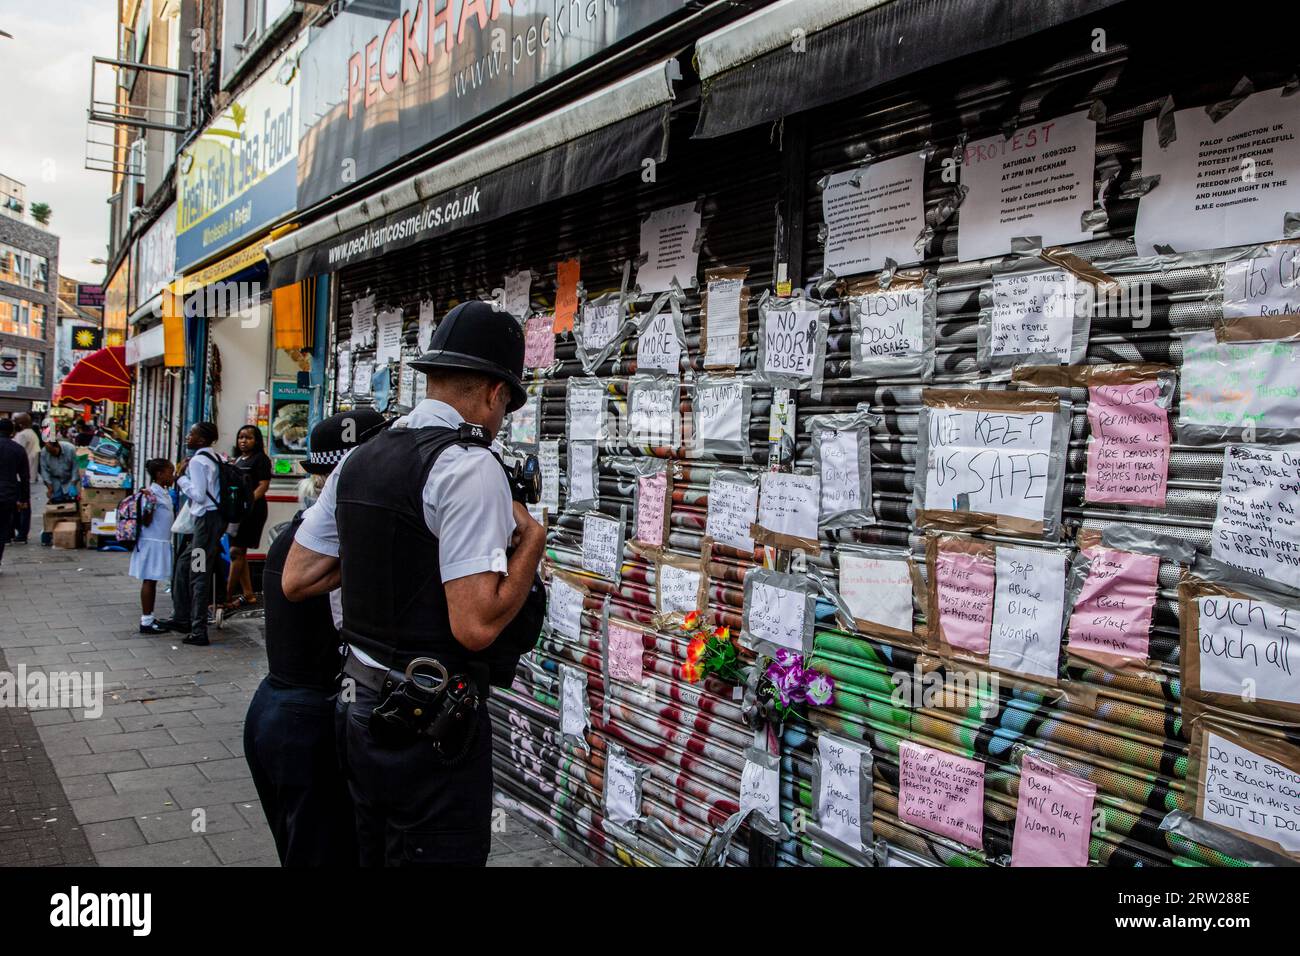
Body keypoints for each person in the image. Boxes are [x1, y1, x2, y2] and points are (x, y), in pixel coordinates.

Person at [282, 300, 547, 867]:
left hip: (358, 715)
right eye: (506, 405)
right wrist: (532, 544)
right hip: (431, 728)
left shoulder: (360, 457)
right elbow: (475, 627)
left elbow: (298, 576)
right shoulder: (470, 466)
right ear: (496, 393)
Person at [244, 408, 385, 867]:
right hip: (306, 722)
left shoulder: (305, 529)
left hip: (279, 712)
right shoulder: (335, 537)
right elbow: (349, 630)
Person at [160, 422, 223, 647]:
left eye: (192, 434)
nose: (188, 437)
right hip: (211, 523)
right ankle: (182, 617)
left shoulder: (197, 461)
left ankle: (198, 630)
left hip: (205, 524)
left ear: (202, 440)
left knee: (198, 573)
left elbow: (198, 495)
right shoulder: (216, 458)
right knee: (184, 565)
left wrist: (179, 478)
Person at [224, 424, 272, 610]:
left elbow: (263, 485)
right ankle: (248, 594)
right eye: (241, 437)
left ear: (256, 440)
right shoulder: (238, 460)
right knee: (239, 552)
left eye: (248, 437)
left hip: (252, 511)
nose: (243, 441)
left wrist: (248, 502)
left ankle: (226, 598)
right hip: (237, 511)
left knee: (236, 551)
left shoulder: (260, 460)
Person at [130, 458, 176, 635]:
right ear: (159, 474)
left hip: (159, 541)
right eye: (170, 472)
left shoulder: (162, 492)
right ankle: (146, 621)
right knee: (149, 580)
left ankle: (149, 617)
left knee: (152, 580)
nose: (172, 476)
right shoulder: (151, 493)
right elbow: (146, 520)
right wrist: (149, 503)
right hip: (152, 543)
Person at [0, 419, 30, 571]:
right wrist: (24, 499)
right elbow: (25, 477)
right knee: (2, 528)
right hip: (7, 494)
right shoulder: (18, 449)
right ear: (12, 432)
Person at [10, 413, 38, 544]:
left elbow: (16, 453)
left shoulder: (22, 435)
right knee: (24, 505)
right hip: (27, 473)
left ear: (20, 423)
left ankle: (20, 532)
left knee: (20, 505)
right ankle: (21, 531)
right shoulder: (32, 433)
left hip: (18, 475)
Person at [38, 430, 81, 503]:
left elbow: (75, 468)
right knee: (56, 500)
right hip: (55, 480)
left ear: (57, 445)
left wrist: (73, 483)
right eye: (50, 453)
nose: (52, 454)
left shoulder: (70, 449)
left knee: (71, 500)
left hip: (69, 479)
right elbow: (44, 471)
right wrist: (49, 487)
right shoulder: (44, 452)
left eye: (54, 452)